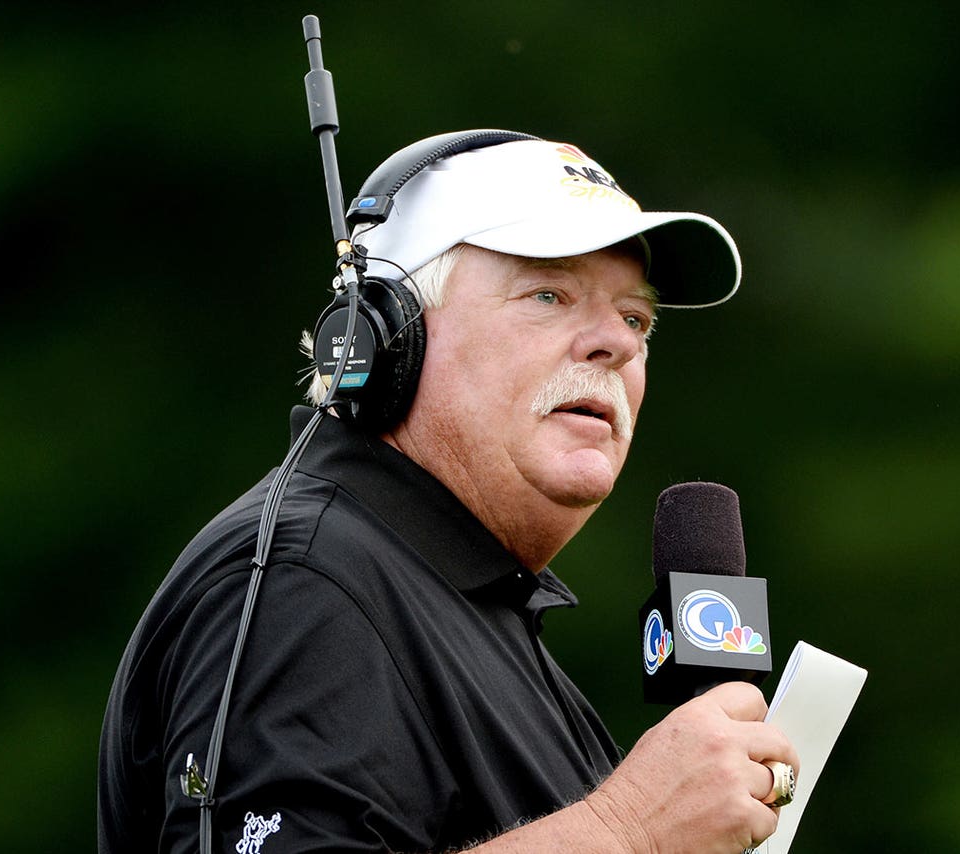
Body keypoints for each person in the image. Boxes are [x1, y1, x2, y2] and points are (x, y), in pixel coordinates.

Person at [98, 134, 799, 853]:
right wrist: (628, 831)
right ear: (389, 340)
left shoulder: (455, 601)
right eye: (549, 294)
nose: (614, 344)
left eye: (634, 319)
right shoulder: (310, 582)